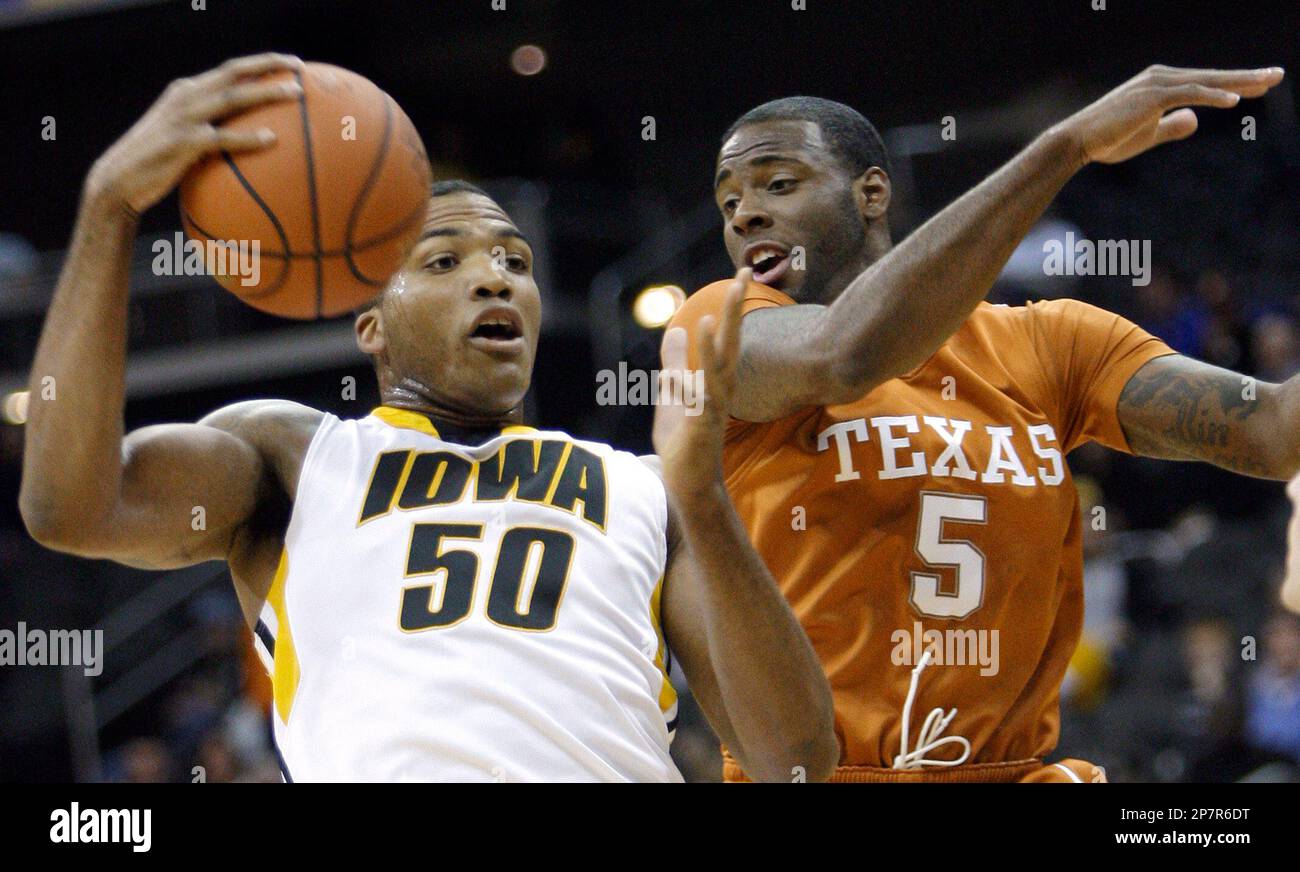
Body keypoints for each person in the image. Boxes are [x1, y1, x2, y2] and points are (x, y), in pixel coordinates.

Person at [17, 54, 838, 782]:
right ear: (369, 324)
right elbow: (68, 507)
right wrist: (110, 207)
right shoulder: (293, 457)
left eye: (515, 260)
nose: (496, 280)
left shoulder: (651, 486)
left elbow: (793, 762)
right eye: (446, 261)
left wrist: (705, 499)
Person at [670, 64, 1287, 782]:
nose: (743, 212)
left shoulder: (1051, 343)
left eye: (778, 184)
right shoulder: (717, 327)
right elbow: (845, 354)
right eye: (728, 199)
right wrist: (1063, 150)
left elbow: (1270, 430)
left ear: (872, 193)